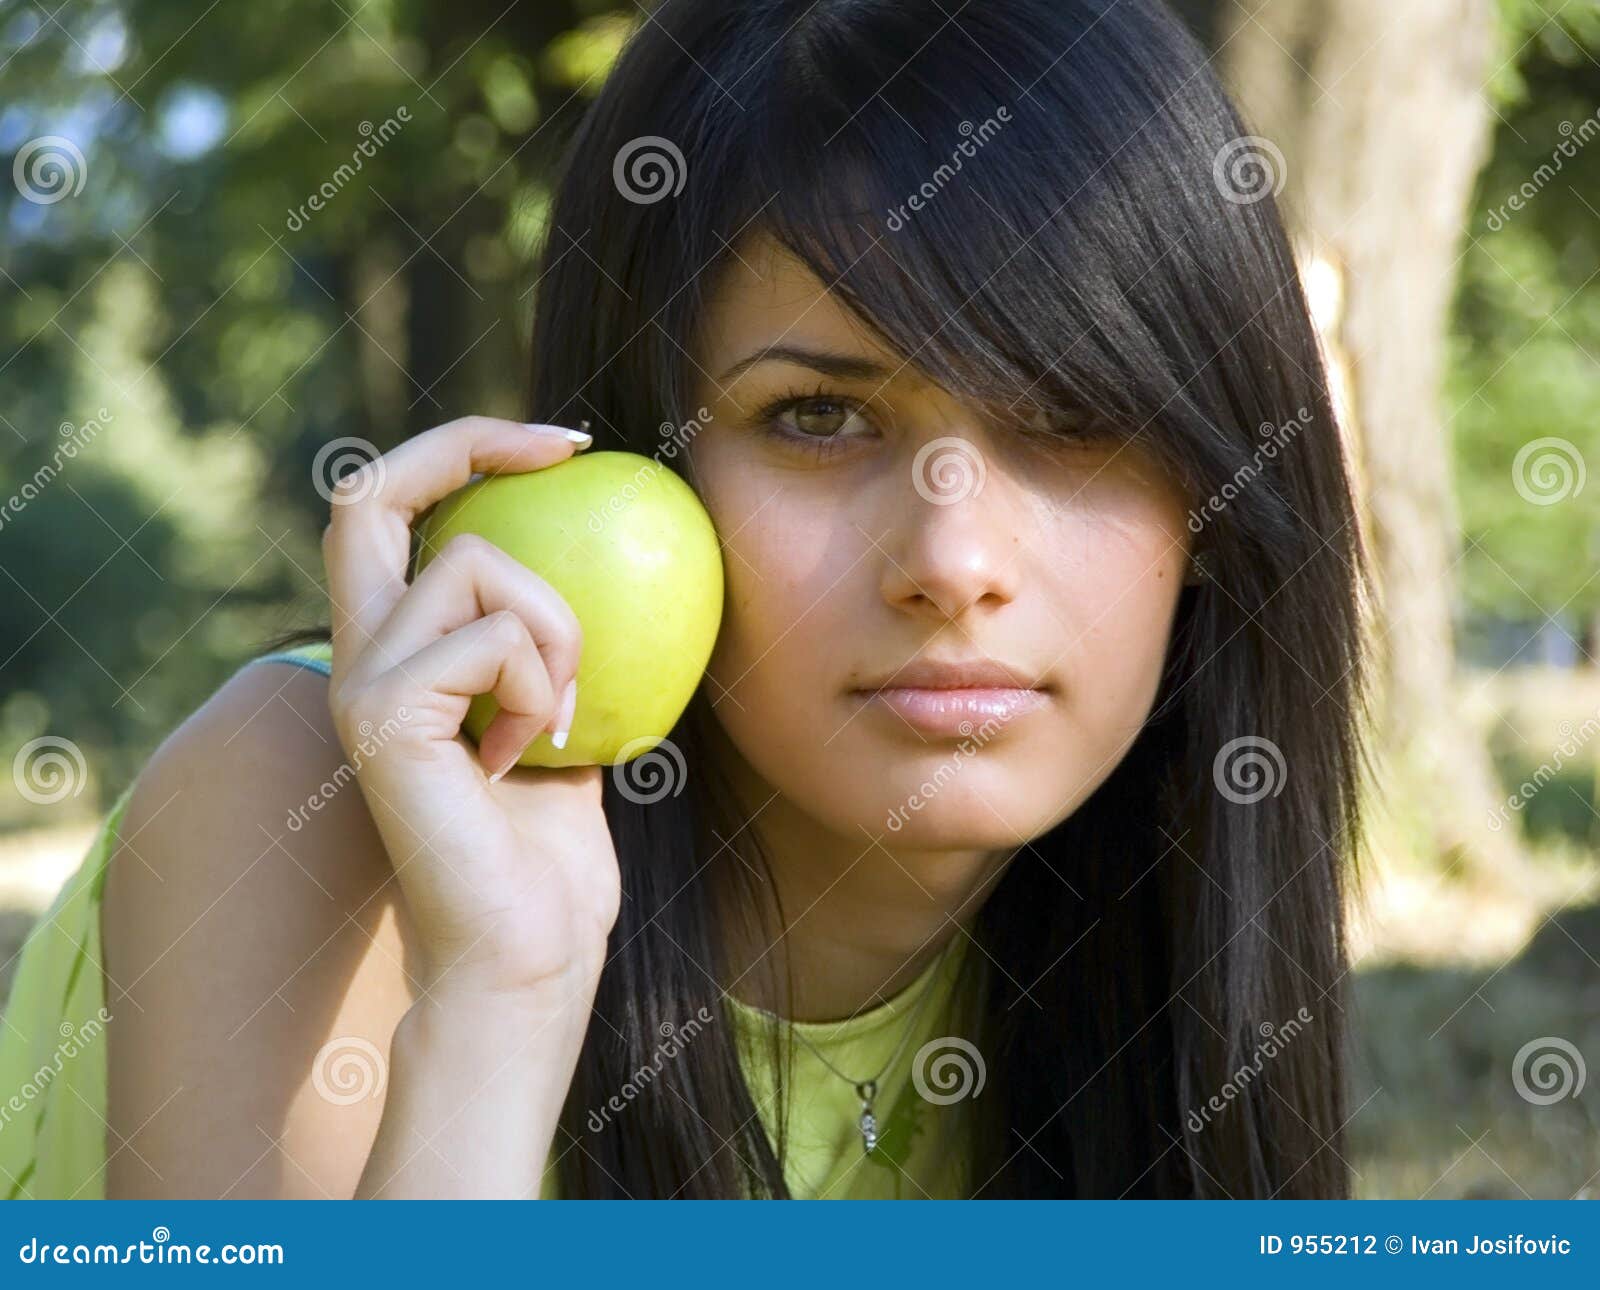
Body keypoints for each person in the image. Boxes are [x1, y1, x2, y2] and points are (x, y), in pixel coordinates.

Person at [0, 0, 1373, 1200]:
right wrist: (500, 996)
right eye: (819, 414)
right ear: (639, 466)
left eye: (1072, 415)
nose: (953, 562)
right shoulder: (314, 807)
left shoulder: (1165, 916)